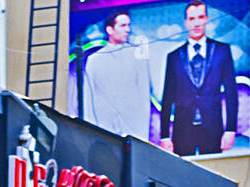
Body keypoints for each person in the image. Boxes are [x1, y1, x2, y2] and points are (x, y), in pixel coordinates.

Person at [159, 1, 238, 156]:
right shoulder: (174, 57)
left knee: (213, 174)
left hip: (213, 128)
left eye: (200, 17)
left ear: (206, 19)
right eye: (192, 18)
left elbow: (231, 94)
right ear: (186, 22)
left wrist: (230, 129)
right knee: (182, 175)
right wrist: (164, 135)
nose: (196, 23)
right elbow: (167, 98)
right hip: (182, 130)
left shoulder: (222, 51)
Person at [82, 11, 153, 140]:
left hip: (134, 133)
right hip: (104, 132)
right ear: (110, 29)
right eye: (123, 26)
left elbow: (144, 96)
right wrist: (91, 133)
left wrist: (143, 136)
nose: (128, 30)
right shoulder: (95, 60)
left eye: (128, 25)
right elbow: (88, 98)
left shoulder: (137, 56)